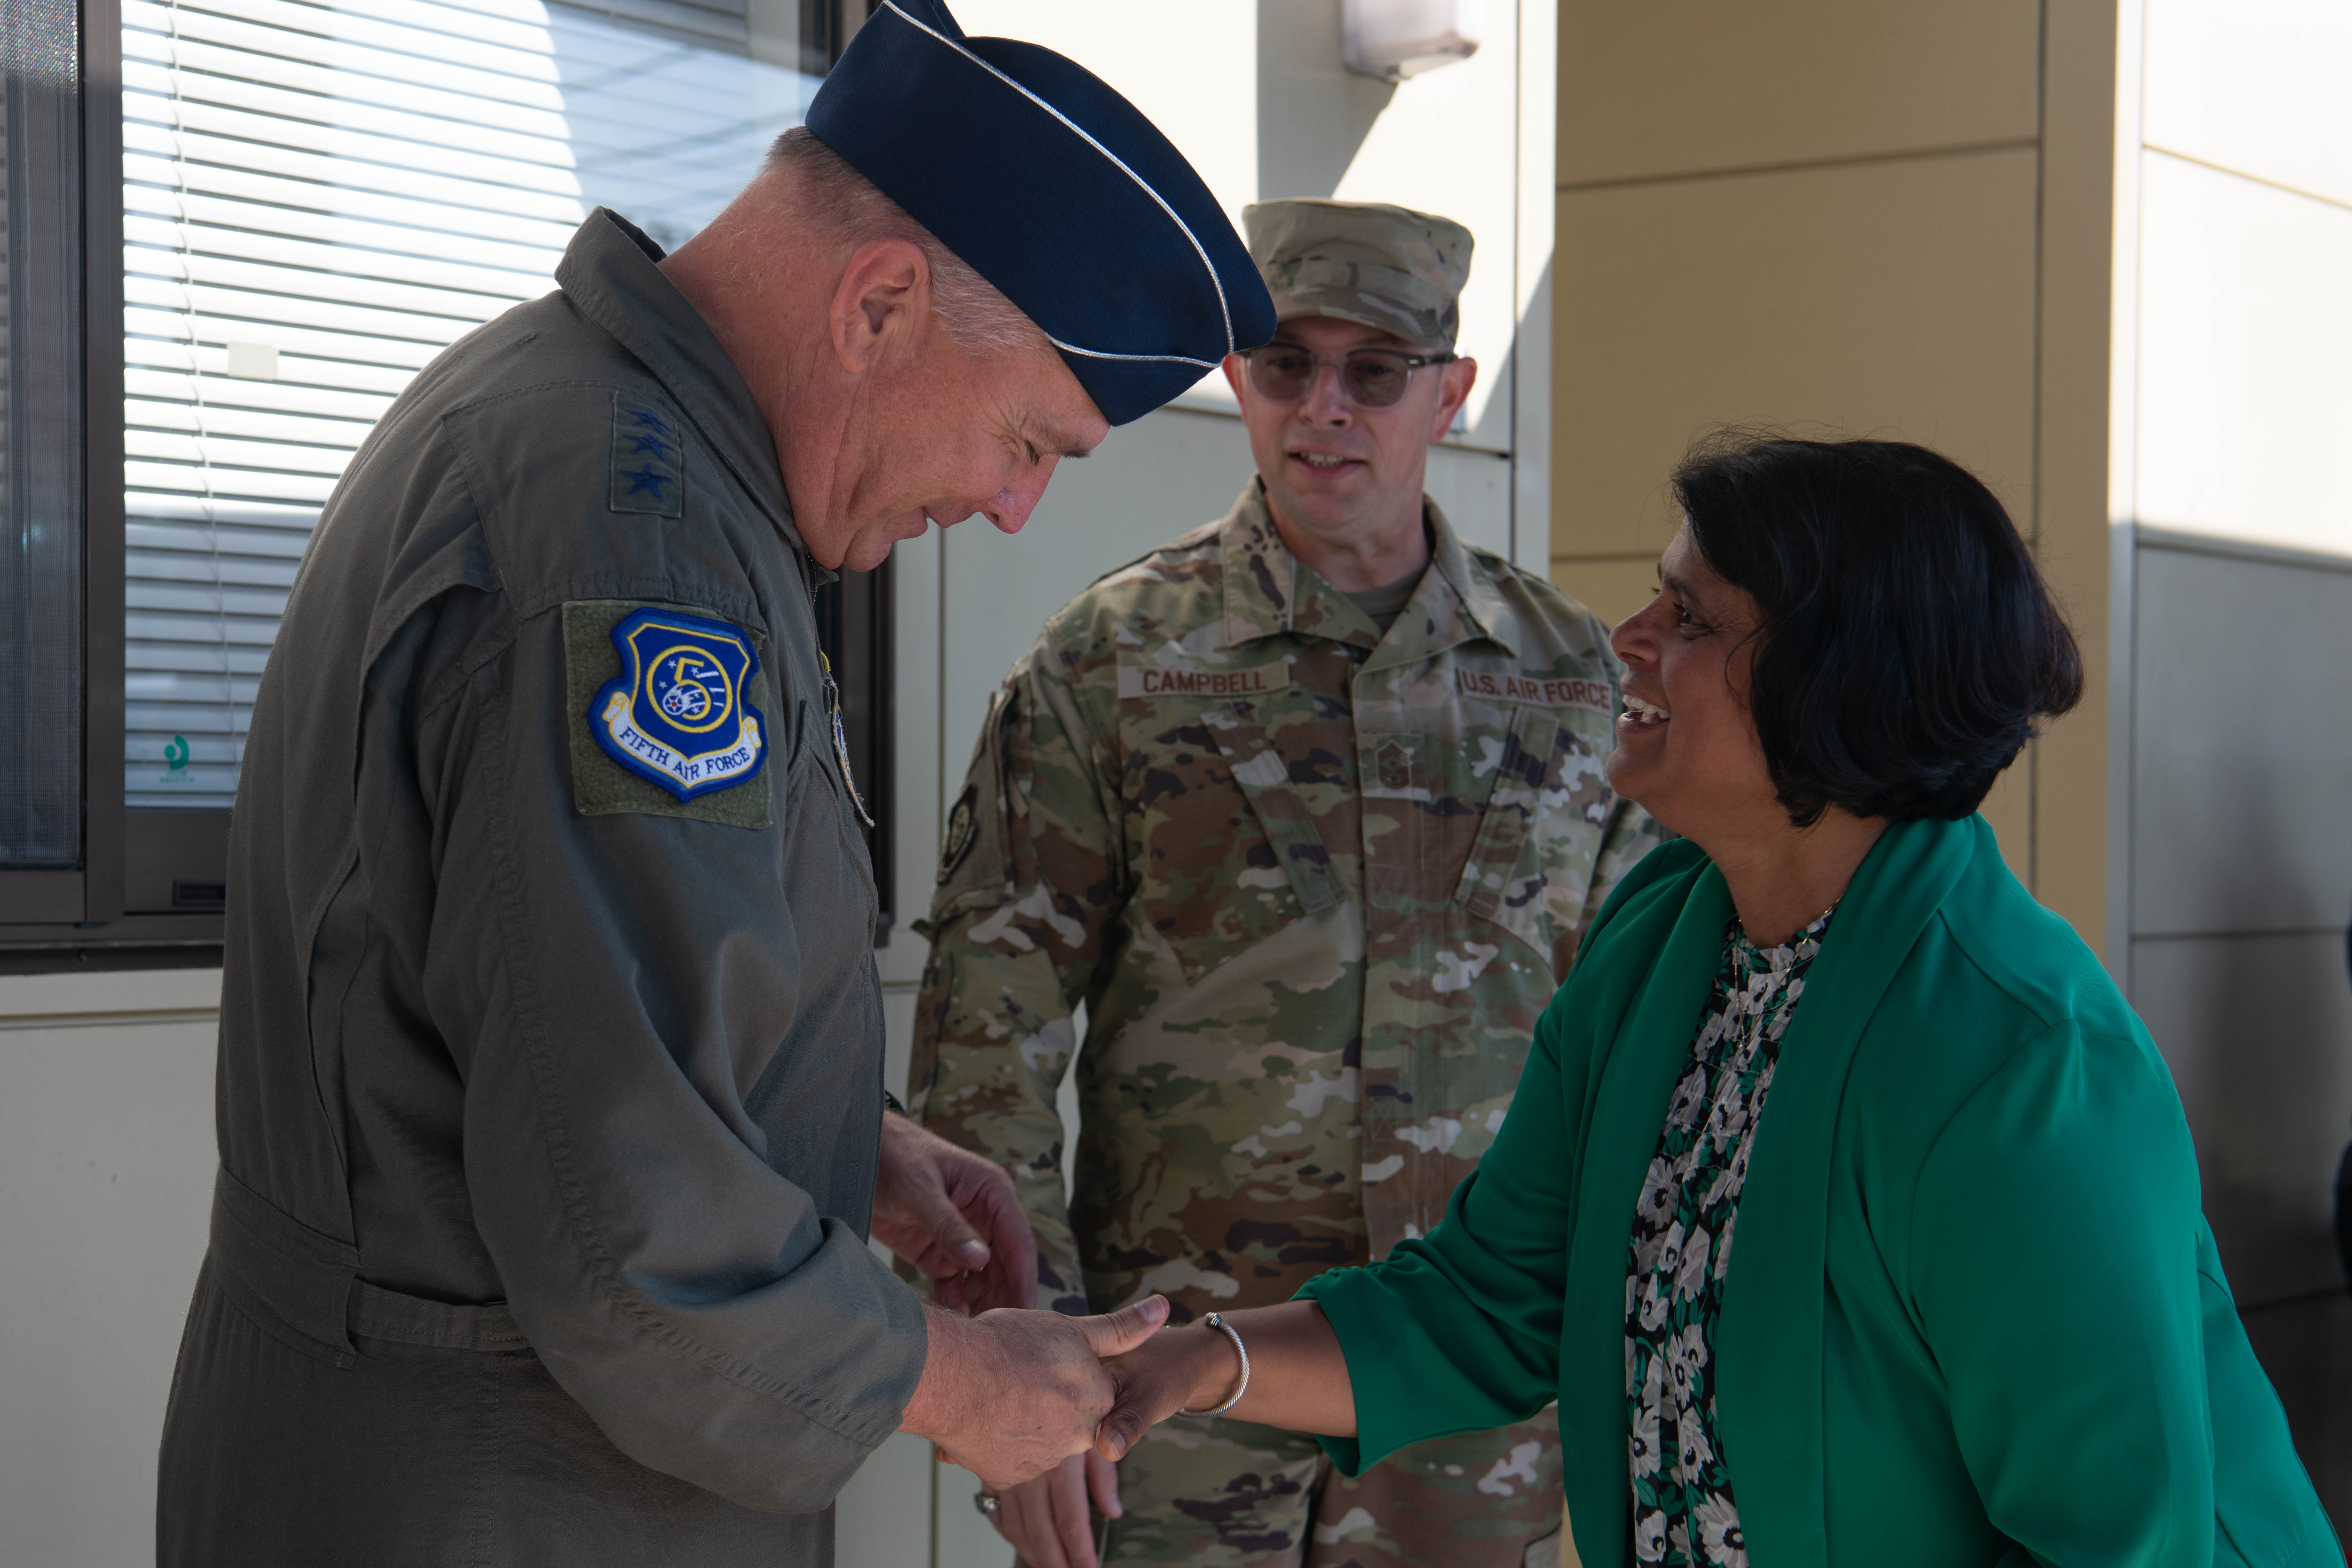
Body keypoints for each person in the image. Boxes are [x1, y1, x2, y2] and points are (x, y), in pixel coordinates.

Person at [153, 3, 1275, 1563]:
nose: (1014, 507)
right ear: (879, 303)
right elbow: (632, 1236)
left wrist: (843, 1143)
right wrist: (957, 1381)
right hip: (515, 1499)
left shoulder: (595, 430)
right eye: (1029, 440)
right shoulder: (635, 557)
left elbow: (554, 1007)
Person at [1091, 436, 2342, 1567]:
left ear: (1838, 681)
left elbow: (2116, 1542)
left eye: (1688, 614)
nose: (1627, 637)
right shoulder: (1655, 942)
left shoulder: (2020, 1064)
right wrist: (1192, 1362)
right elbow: (1484, 1305)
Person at [909, 198, 1660, 1568]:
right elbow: (987, 1041)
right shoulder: (1110, 663)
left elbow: (1647, 1046)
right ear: (1238, 379)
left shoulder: (1574, 680)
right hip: (1159, 1407)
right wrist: (1013, 1362)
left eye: (1374, 369)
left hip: (1468, 1409)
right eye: (1285, 364)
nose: (1326, 407)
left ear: (1451, 394)